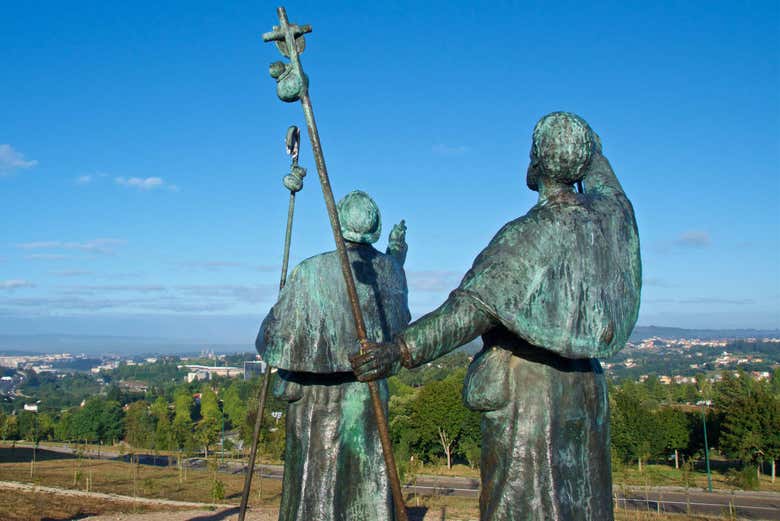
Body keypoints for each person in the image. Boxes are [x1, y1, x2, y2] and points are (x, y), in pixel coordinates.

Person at [352, 113, 641, 521]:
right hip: (586, 388)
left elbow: (467, 311)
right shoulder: (614, 217)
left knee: (526, 501)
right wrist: (589, 146)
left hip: (532, 393)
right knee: (583, 501)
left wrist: (398, 351)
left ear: (536, 160)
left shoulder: (529, 235)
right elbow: (604, 180)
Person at [256, 190, 409, 521]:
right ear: (376, 230)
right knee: (365, 484)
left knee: (315, 488)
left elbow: (272, 343)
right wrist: (397, 251)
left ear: (338, 225)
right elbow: (390, 288)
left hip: (317, 403)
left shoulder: (310, 271)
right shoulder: (392, 271)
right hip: (367, 397)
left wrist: (282, 301)